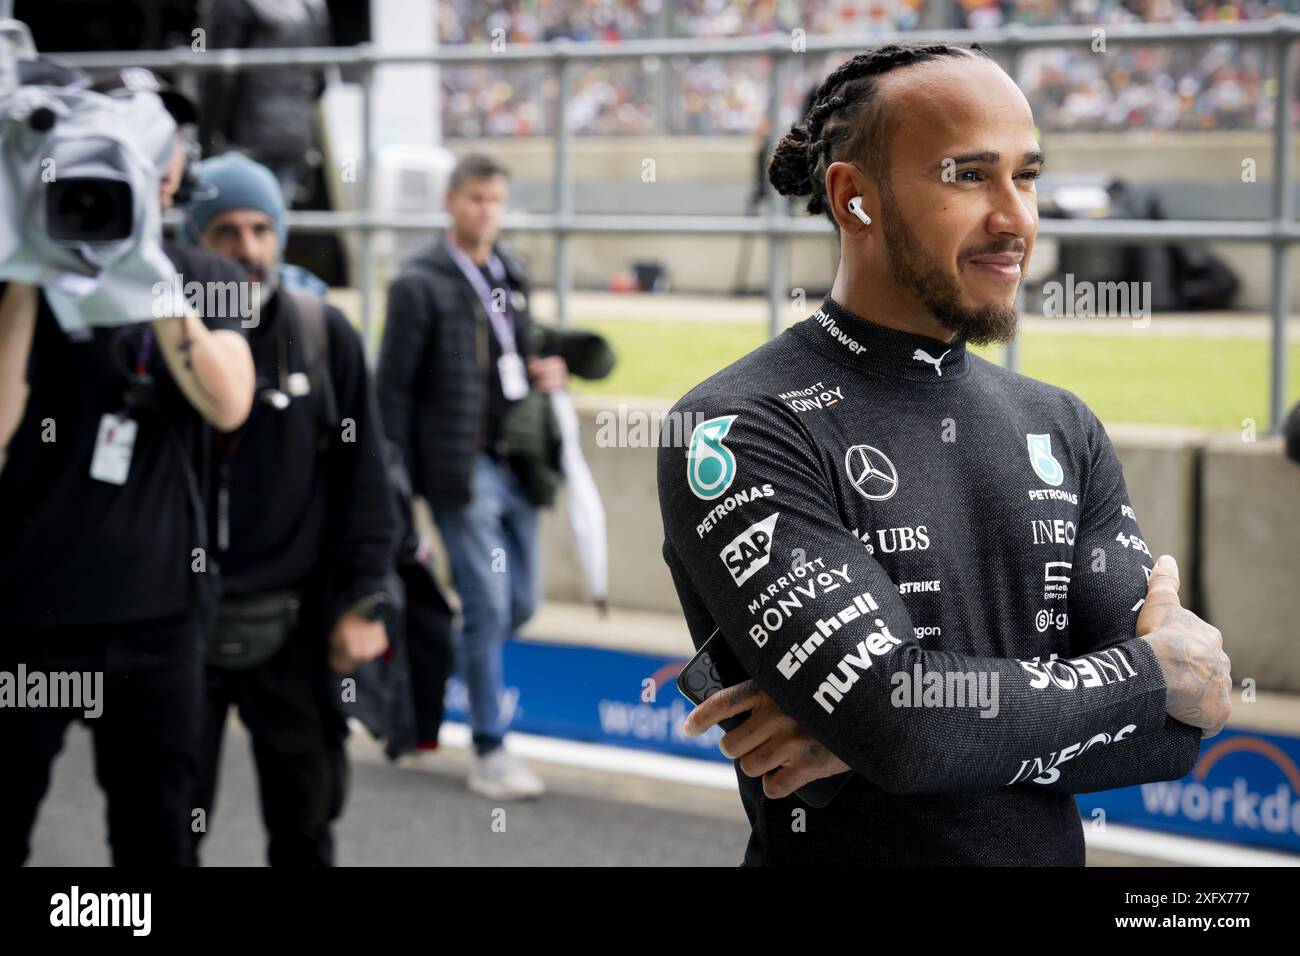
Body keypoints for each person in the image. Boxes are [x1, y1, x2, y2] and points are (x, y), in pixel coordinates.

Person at [657, 42, 1232, 866]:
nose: (1015, 218)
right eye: (968, 176)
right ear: (854, 198)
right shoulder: (738, 425)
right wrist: (1140, 676)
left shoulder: (1061, 424)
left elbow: (1178, 736)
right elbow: (905, 727)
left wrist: (898, 727)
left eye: (1025, 176)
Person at [0, 78, 255, 865]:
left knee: (156, 836)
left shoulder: (207, 277)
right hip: (25, 614)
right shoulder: (18, 285)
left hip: (156, 616)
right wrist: (27, 274)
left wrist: (148, 275)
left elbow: (230, 404)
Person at [185, 153, 398, 865]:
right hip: (178, 627)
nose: (247, 249)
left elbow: (367, 477)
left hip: (296, 626)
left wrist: (365, 600)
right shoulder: (156, 338)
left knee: (304, 827)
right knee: (161, 832)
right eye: (224, 232)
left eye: (260, 229)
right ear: (193, 240)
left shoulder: (320, 332)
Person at [377, 153, 568, 800]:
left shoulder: (510, 271)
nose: (486, 211)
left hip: (520, 466)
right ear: (450, 201)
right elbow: (393, 392)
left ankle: (410, 678)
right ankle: (490, 751)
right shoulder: (418, 283)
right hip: (461, 472)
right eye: (475, 199)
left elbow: (525, 351)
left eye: (496, 200)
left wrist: (550, 369)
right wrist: (395, 481)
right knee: (486, 606)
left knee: (521, 604)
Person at [196, 0, 331, 204]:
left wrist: (207, 135)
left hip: (244, 136)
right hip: (294, 135)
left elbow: (219, 76)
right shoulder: (312, 7)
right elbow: (320, 80)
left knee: (234, 216)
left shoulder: (229, 5)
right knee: (272, 219)